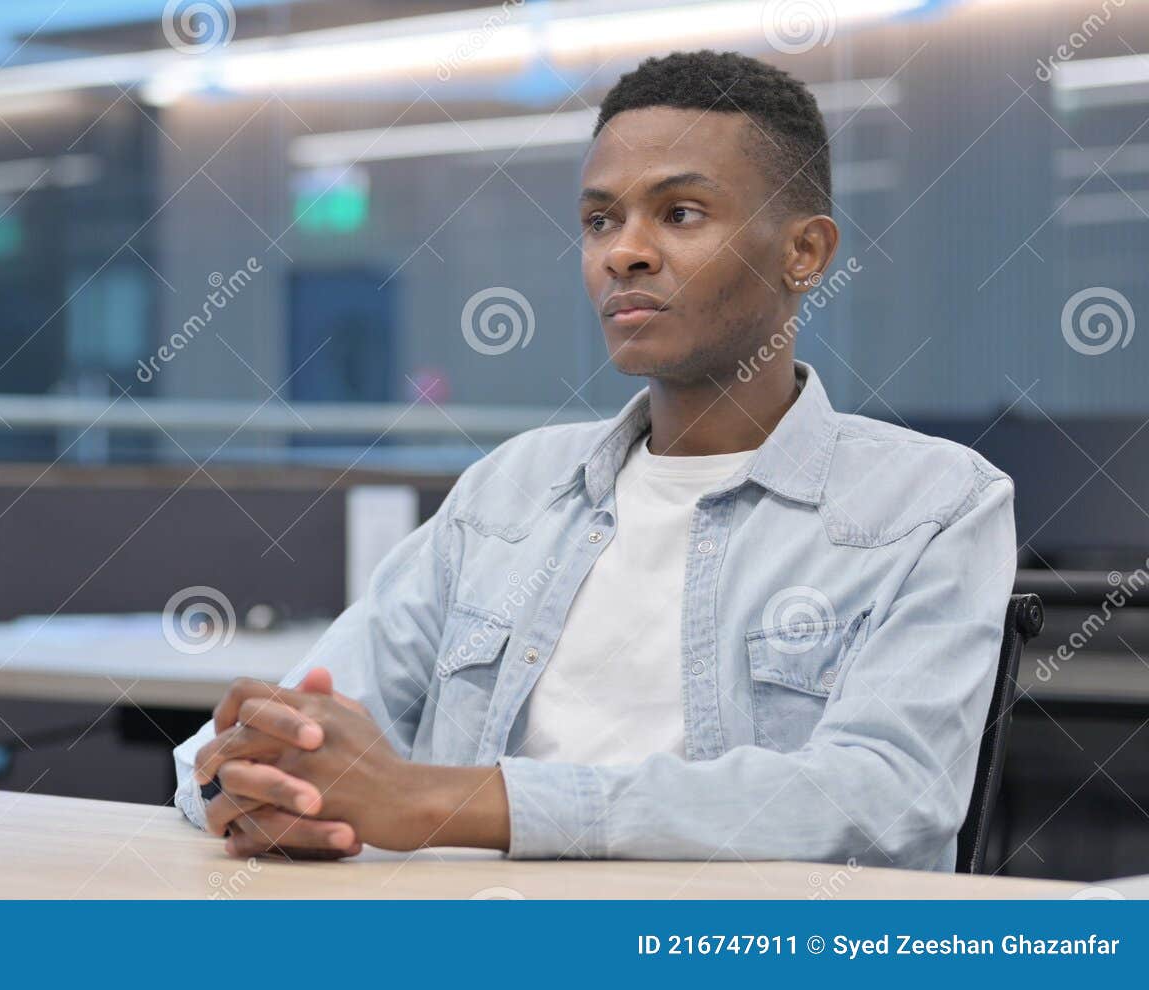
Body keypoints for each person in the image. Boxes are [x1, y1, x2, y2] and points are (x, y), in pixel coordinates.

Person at [172, 49, 1016, 871]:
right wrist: (266, 788)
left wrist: (440, 803)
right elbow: (247, 746)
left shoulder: (934, 504)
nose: (624, 252)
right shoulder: (512, 490)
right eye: (600, 220)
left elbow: (884, 796)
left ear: (806, 253)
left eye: (681, 214)